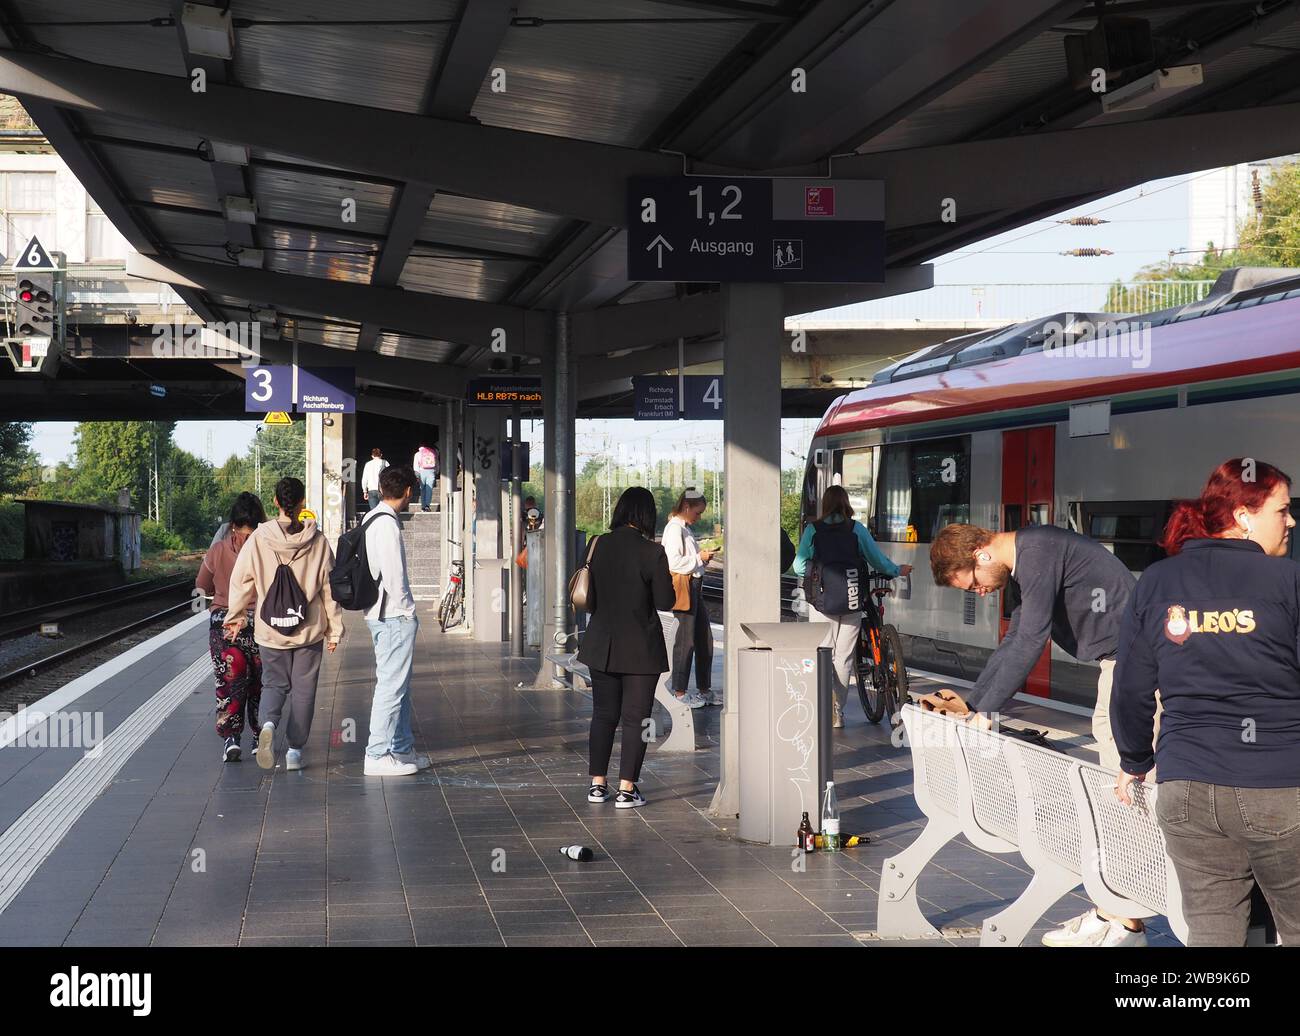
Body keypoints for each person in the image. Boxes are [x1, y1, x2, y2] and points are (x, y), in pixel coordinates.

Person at [929, 519, 1145, 946]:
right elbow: (1014, 641)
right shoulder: (1031, 559)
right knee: (1116, 786)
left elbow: (1032, 640)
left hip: (1134, 666)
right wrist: (975, 705)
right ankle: (1116, 912)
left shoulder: (1039, 550)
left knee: (1127, 791)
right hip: (1121, 665)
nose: (980, 592)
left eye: (971, 584)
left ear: (981, 554)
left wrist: (986, 712)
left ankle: (1125, 920)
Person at [1112, 458, 1300, 947]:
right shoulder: (1289, 584)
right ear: (1243, 516)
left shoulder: (1156, 582)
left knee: (1213, 930)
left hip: (1186, 790)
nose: (1291, 521)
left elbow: (1130, 688)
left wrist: (1135, 760)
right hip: (1279, 788)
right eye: (1283, 510)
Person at [224, 476, 343, 773]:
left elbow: (241, 581)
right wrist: (335, 629)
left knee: (274, 684)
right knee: (304, 691)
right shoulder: (318, 541)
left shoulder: (259, 538)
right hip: (309, 630)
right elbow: (331, 589)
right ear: (302, 503)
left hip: (270, 630)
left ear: (275, 502)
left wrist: (236, 617)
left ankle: (267, 725)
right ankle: (294, 752)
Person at [577, 486, 675, 809]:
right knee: (636, 719)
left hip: (601, 644)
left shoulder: (597, 544)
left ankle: (596, 785)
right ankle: (627, 789)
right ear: (646, 516)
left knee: (603, 715)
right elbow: (665, 601)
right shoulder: (652, 552)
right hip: (640, 650)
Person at [793, 486, 911, 729]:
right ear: (846, 503)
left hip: (821, 602)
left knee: (824, 655)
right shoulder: (856, 529)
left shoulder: (813, 530)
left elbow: (798, 565)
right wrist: (897, 570)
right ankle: (837, 711)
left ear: (824, 505)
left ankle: (823, 707)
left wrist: (816, 575)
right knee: (844, 658)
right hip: (852, 599)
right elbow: (876, 560)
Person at [362, 465, 428, 778]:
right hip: (392, 616)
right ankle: (376, 754)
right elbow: (394, 574)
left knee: (398, 686)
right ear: (408, 492)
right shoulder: (386, 524)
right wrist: (407, 609)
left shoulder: (371, 517)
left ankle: (401, 748)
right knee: (391, 686)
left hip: (379, 613)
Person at [196, 492, 267, 762]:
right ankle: (259, 737)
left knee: (230, 680)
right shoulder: (266, 549)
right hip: (259, 623)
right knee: (260, 682)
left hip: (225, 624)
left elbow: (202, 587)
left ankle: (231, 738)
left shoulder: (218, 549)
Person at [662, 487, 718, 708]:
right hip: (686, 588)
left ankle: (704, 689)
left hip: (695, 587)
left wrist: (701, 559)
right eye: (697, 512)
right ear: (686, 507)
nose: (699, 516)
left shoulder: (684, 528)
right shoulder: (674, 529)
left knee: (704, 639)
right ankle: (679, 691)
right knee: (685, 642)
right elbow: (673, 562)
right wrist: (700, 557)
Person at [412, 441, 439, 512]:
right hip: (431, 471)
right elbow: (437, 463)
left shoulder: (418, 454)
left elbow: (416, 466)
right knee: (429, 489)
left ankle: (423, 506)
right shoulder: (433, 452)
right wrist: (436, 471)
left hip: (421, 472)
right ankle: (427, 505)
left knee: (422, 489)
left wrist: (417, 475)